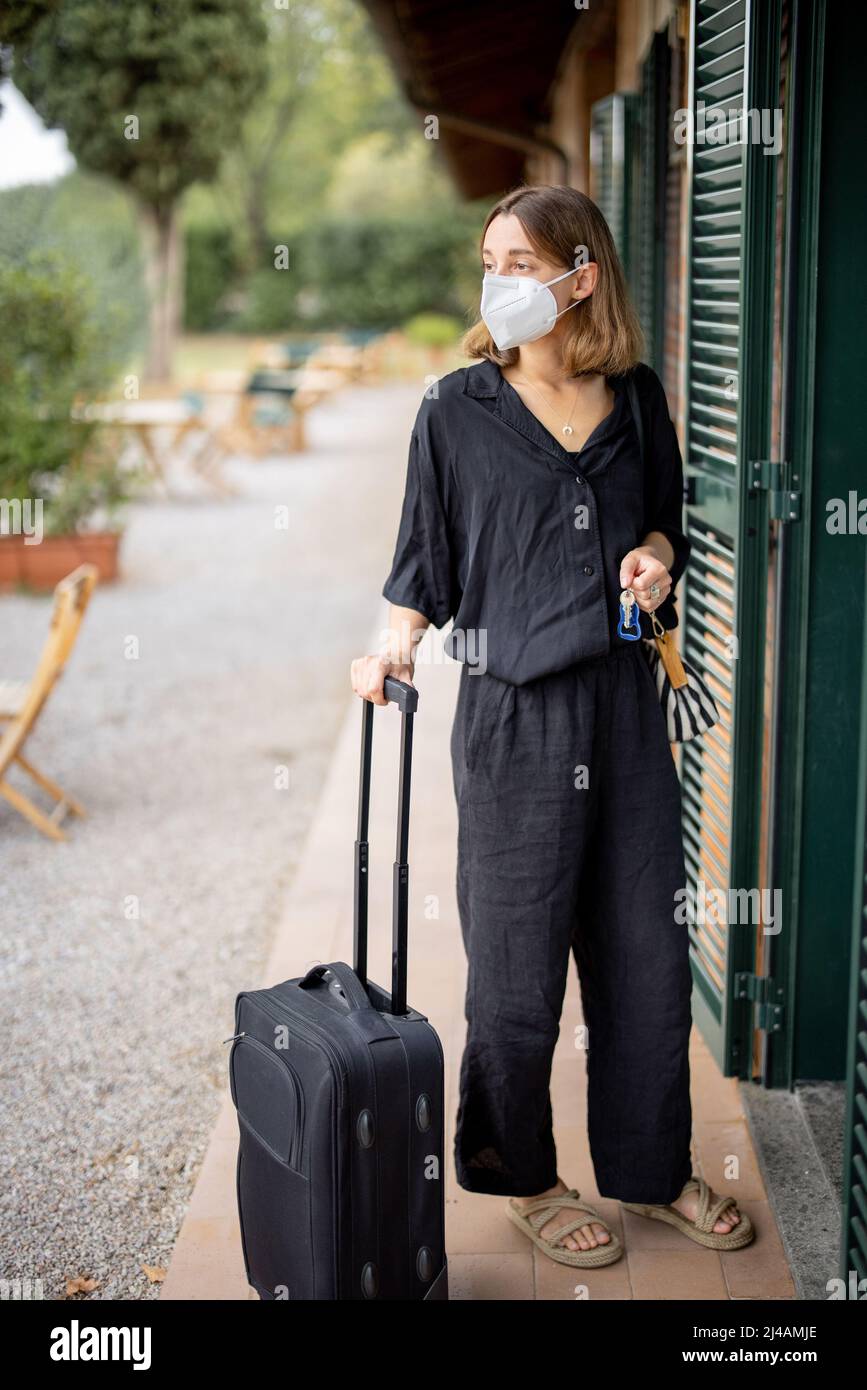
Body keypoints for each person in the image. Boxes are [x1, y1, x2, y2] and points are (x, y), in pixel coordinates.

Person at [350, 184, 754, 1267]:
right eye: (492, 260)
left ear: (583, 274)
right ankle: (522, 1173)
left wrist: (655, 562)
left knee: (644, 956)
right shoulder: (453, 410)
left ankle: (649, 1169)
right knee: (516, 970)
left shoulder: (637, 397)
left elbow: (666, 523)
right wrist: (391, 645)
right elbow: (419, 569)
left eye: (524, 262)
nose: (502, 282)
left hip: (625, 713)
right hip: (513, 723)